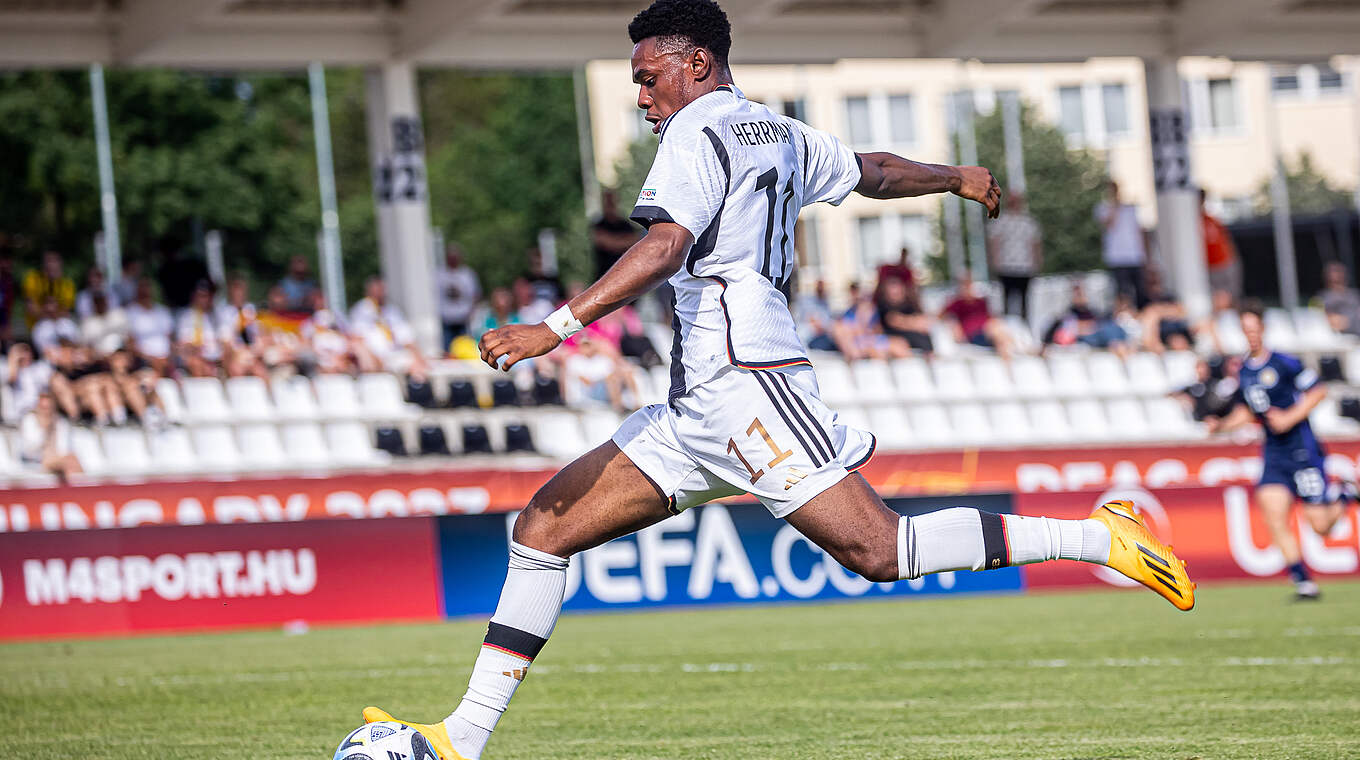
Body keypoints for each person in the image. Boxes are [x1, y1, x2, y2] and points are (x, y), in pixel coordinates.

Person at [360, 4, 1196, 758]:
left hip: (745, 385)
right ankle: (459, 741)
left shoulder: (694, 134)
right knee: (541, 529)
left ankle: (1101, 536)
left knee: (883, 551)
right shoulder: (781, 132)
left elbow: (664, 246)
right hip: (697, 408)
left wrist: (557, 326)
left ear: (696, 66)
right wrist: (954, 176)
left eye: (649, 79)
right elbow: (872, 168)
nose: (644, 98)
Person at [1207, 303, 1351, 600]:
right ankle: (1304, 583)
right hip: (1274, 453)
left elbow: (1319, 391)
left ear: (1263, 329)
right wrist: (1220, 426)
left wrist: (1290, 417)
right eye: (1245, 330)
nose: (1251, 335)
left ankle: (1347, 494)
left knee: (1321, 526)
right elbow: (1247, 413)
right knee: (1273, 513)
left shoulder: (1285, 363)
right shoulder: (1244, 370)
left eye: (1254, 329)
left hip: (1302, 449)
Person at [349, 277, 428, 381]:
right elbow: (356, 338)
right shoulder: (361, 310)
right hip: (375, 358)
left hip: (395, 355)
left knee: (417, 368)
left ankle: (418, 392)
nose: (380, 293)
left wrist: (419, 358)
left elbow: (408, 339)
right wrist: (375, 359)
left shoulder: (393, 311)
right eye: (377, 290)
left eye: (382, 289)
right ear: (369, 291)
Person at [987, 191, 1042, 318]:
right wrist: (995, 262)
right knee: (1007, 301)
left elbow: (1035, 243)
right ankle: (1009, 328)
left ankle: (1024, 327)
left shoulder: (1029, 222)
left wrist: (1036, 262)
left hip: (1025, 266)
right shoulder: (1000, 221)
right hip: (1006, 266)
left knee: (1024, 302)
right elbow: (994, 243)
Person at [1095, 181, 1148, 308]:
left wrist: (1145, 255)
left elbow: (1140, 232)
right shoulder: (1102, 208)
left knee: (1140, 290)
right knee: (1122, 292)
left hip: (1135, 255)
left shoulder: (1131, 208)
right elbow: (1109, 224)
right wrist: (1114, 206)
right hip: (1117, 257)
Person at [941, 270, 1013, 360]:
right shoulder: (957, 303)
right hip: (974, 334)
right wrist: (953, 324)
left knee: (998, 331)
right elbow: (941, 315)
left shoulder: (981, 302)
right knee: (998, 333)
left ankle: (1010, 350)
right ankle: (1012, 353)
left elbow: (991, 317)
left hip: (989, 331)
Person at [18, 391, 82, 482]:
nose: (46, 411)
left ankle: (79, 491)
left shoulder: (60, 422)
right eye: (43, 408)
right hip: (37, 460)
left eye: (49, 408)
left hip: (57, 459)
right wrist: (44, 429)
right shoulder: (29, 420)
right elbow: (29, 449)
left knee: (71, 460)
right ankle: (79, 492)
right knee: (69, 462)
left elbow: (64, 448)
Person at [438, 244, 482, 351]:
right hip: (447, 320)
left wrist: (472, 312)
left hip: (463, 320)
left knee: (465, 349)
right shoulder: (439, 274)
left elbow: (476, 294)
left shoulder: (467, 274)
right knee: (448, 351)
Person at [591, 189, 642, 277]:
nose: (610, 204)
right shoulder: (599, 224)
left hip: (625, 274)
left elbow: (635, 241)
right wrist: (622, 240)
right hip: (603, 275)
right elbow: (607, 242)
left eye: (611, 201)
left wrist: (614, 240)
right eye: (608, 201)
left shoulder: (625, 224)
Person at [1201, 189, 1241, 301]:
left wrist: (1232, 259)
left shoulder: (1211, 219)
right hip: (1210, 268)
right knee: (1217, 298)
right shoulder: (1193, 221)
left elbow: (1226, 240)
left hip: (1225, 263)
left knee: (1231, 296)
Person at [877, 277, 933, 354]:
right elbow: (895, 320)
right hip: (899, 343)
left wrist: (907, 321)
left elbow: (924, 322)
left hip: (921, 346)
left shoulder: (910, 305)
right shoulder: (884, 307)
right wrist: (914, 322)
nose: (896, 294)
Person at [22, 250, 76, 329]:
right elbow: (31, 309)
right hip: (37, 324)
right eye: (48, 261)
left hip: (59, 323)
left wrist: (48, 312)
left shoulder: (67, 284)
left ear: (60, 264)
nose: (51, 265)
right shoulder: (32, 279)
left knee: (67, 328)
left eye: (54, 261)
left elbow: (66, 312)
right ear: (43, 264)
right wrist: (50, 312)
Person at [794, 279, 837, 352]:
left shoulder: (825, 303)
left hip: (822, 335)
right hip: (812, 337)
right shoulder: (808, 301)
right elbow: (815, 323)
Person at [1319, 261, 1360, 337]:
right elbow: (1320, 317)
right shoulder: (1323, 297)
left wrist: (1347, 322)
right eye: (1333, 272)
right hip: (1336, 336)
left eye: (1338, 272)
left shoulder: (1354, 295)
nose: (1336, 276)